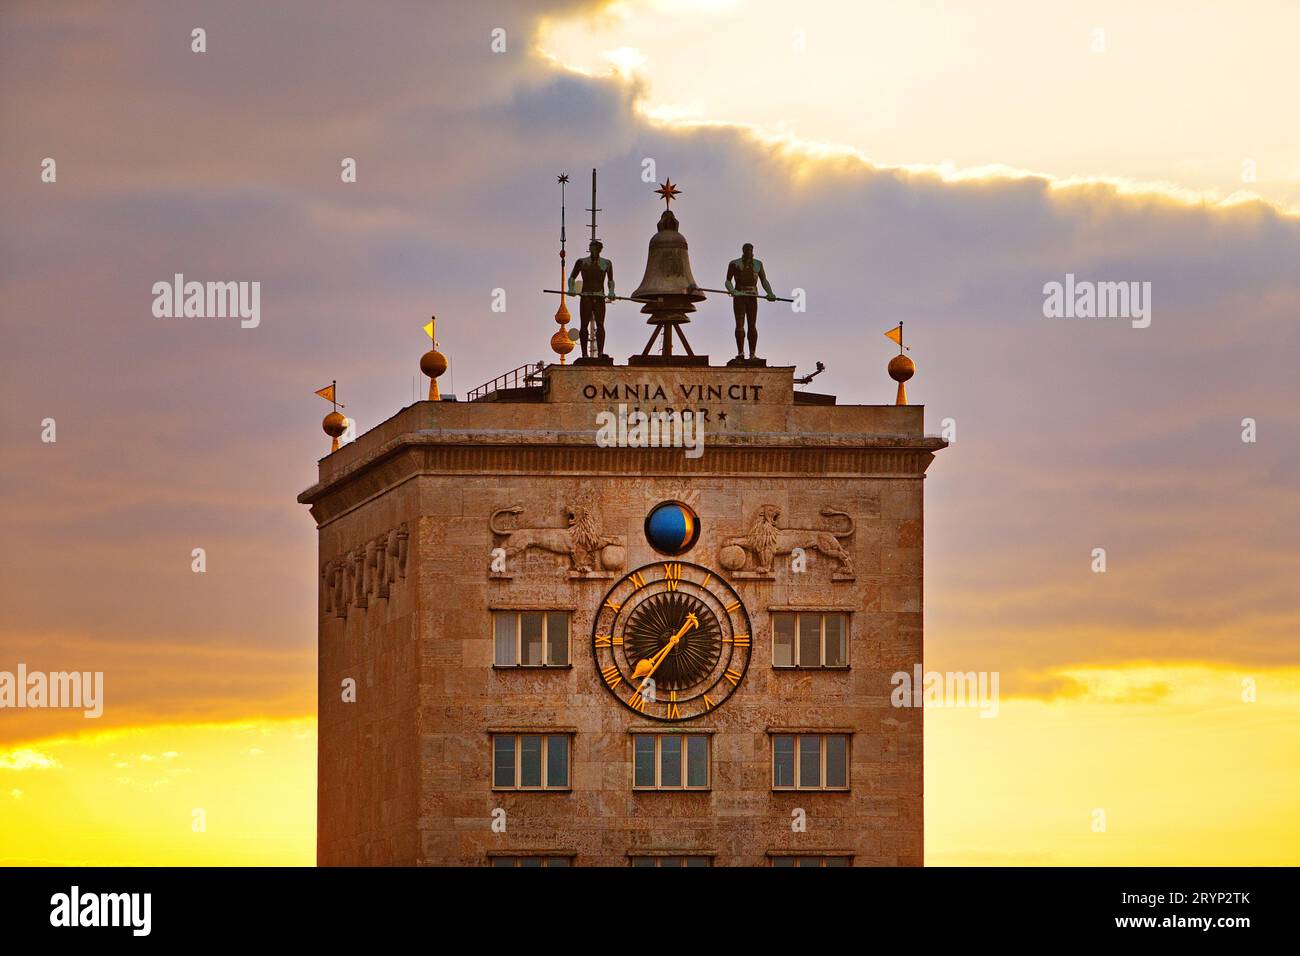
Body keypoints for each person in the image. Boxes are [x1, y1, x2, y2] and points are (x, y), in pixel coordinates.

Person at [724, 243, 775, 360]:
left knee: (752, 325)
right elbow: (727, 280)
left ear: (752, 251)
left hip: (752, 296)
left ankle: (752, 354)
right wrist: (732, 290)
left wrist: (770, 293)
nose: (748, 253)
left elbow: (764, 281)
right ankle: (741, 353)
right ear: (743, 251)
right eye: (746, 250)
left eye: (750, 251)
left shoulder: (758, 264)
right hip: (739, 296)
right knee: (740, 325)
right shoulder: (734, 263)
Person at [567, 240, 616, 358]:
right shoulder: (582, 262)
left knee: (600, 324)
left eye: (596, 249)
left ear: (600, 250)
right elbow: (572, 277)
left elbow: (610, 280)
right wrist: (571, 289)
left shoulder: (607, 263)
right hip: (586, 296)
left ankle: (600, 352)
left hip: (599, 296)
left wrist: (611, 292)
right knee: (584, 324)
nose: (594, 251)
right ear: (590, 249)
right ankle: (584, 354)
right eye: (592, 248)